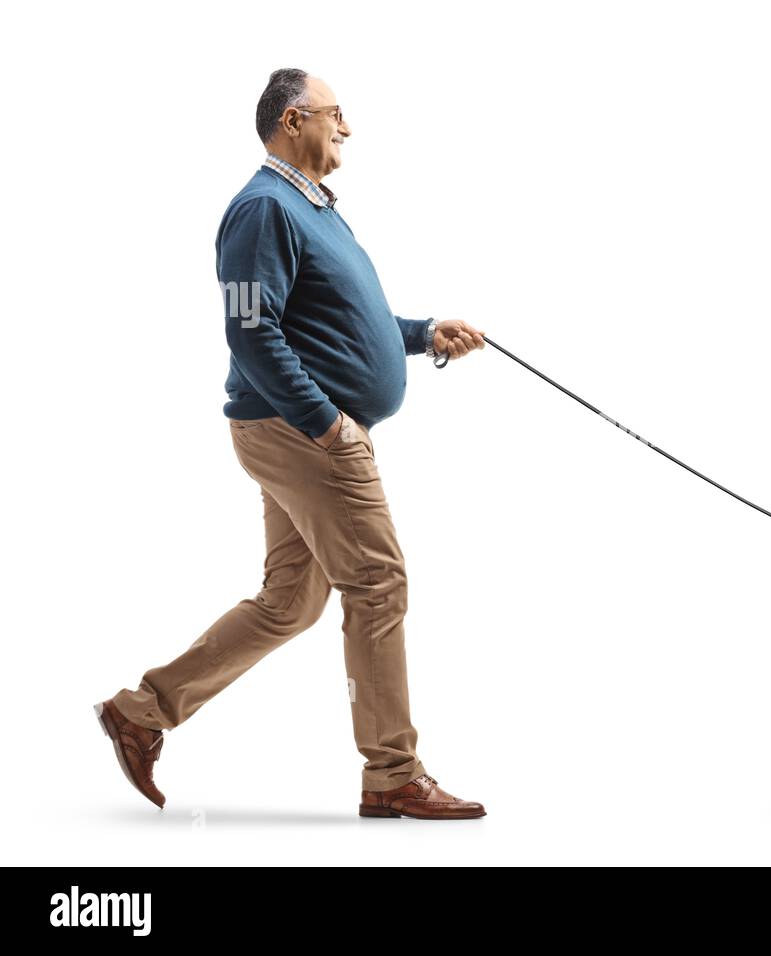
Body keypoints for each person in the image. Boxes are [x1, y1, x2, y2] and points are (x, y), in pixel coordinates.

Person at [95, 68, 488, 820]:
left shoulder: (311, 209)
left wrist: (419, 334)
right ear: (292, 120)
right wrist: (324, 423)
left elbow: (338, 318)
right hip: (299, 435)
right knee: (378, 585)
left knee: (288, 603)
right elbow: (249, 329)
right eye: (337, 114)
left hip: (297, 432)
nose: (347, 127)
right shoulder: (261, 210)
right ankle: (393, 773)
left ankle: (143, 712)